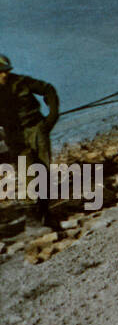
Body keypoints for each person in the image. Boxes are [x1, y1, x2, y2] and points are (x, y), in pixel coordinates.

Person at [0, 54, 60, 227]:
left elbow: (48, 89)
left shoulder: (21, 81)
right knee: (27, 173)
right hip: (14, 136)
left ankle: (45, 213)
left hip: (36, 129)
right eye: (0, 73)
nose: (4, 75)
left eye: (6, 71)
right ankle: (33, 218)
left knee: (43, 169)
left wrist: (52, 117)